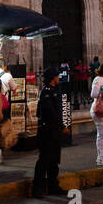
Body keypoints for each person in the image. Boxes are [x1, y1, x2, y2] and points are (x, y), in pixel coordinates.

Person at [32, 67, 67, 197]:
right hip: (47, 131)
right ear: (52, 78)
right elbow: (50, 113)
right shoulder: (46, 92)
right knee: (44, 160)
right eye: (57, 76)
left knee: (54, 161)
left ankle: (53, 186)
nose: (59, 78)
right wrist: (62, 125)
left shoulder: (54, 91)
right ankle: (37, 188)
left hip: (54, 131)